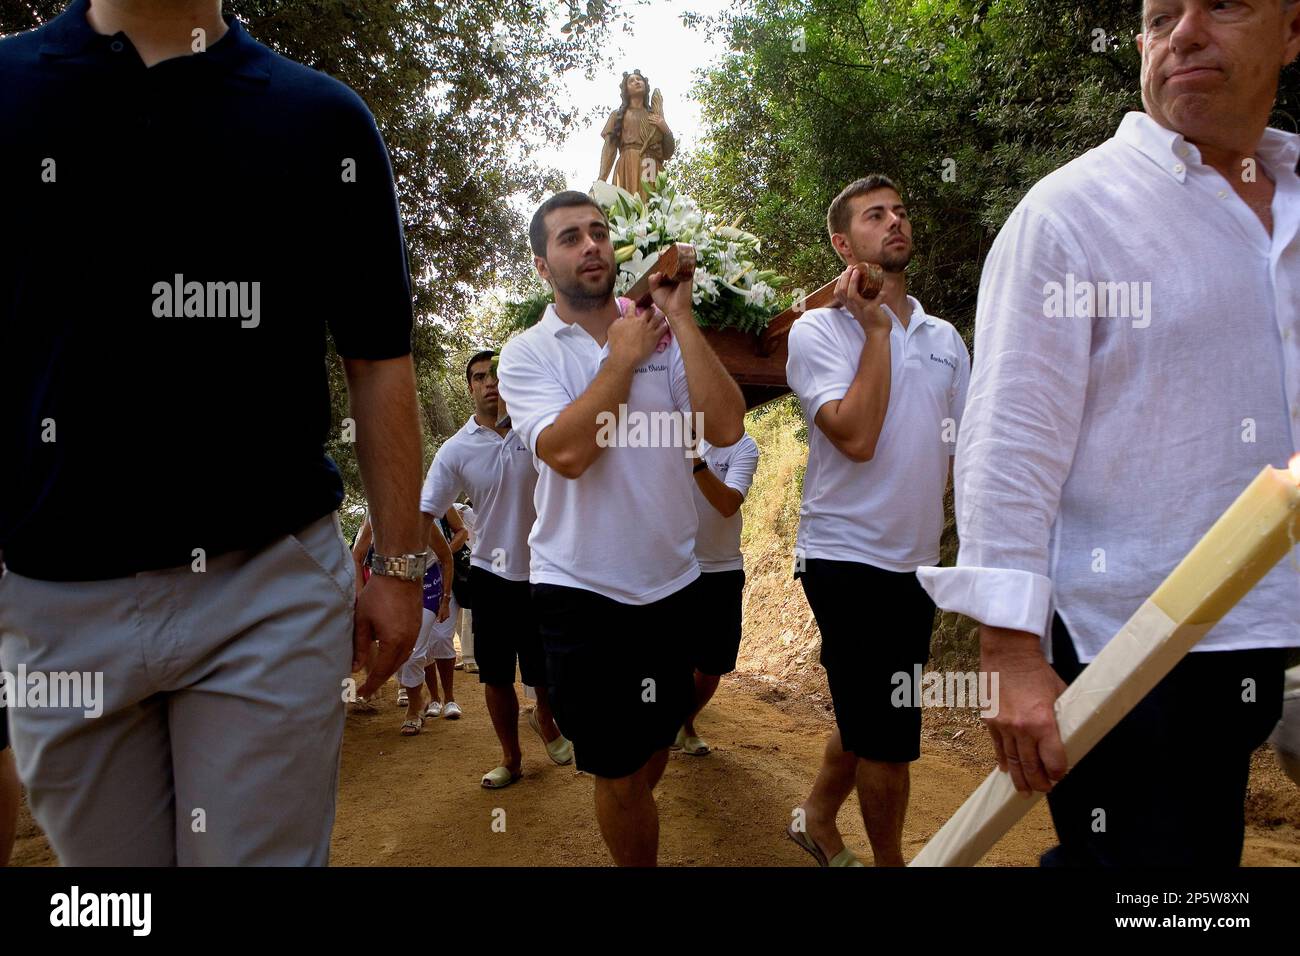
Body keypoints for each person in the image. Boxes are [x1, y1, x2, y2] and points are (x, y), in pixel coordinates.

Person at [0, 0, 425, 865]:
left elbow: (379, 359)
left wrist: (400, 566)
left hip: (265, 593)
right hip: (53, 604)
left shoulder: (323, 119)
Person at [918, 0, 1300, 866]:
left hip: (1277, 622)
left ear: (1290, 31)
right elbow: (1009, 441)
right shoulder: (1072, 215)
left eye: (1226, 6)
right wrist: (1012, 652)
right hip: (1134, 644)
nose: (1186, 32)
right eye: (1163, 15)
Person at [497, 190, 745, 864]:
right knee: (618, 769)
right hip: (582, 591)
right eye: (570, 237)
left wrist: (682, 322)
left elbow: (725, 427)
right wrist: (622, 359)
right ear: (543, 267)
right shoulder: (528, 355)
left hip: (673, 586)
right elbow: (570, 454)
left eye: (599, 232)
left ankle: (632, 800)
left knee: (652, 746)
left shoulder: (662, 336)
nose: (591, 245)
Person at [785, 175, 970, 867]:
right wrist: (873, 332)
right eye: (874, 215)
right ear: (843, 243)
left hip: (915, 561)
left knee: (871, 716)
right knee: (889, 732)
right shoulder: (817, 331)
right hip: (844, 557)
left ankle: (815, 818)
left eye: (900, 210)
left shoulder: (945, 336)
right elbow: (856, 436)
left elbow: (962, 447)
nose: (895, 221)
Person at [420, 350, 570, 789]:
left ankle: (547, 719)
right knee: (497, 674)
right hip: (490, 576)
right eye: (480, 376)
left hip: (544, 570)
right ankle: (511, 758)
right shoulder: (456, 449)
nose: (490, 383)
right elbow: (426, 509)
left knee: (543, 667)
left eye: (497, 375)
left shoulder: (536, 430)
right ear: (469, 386)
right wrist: (402, 573)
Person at [673, 431, 760, 756]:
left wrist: (695, 460)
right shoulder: (665, 438)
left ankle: (684, 720)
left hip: (722, 570)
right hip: (674, 568)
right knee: (671, 658)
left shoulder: (743, 445)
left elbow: (727, 504)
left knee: (712, 663)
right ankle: (671, 724)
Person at [396, 516, 455, 736]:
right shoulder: (374, 519)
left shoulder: (422, 519)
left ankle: (414, 709)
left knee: (413, 652)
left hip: (427, 588)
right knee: (400, 651)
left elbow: (446, 557)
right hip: (392, 590)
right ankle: (426, 695)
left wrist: (446, 600)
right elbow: (359, 556)